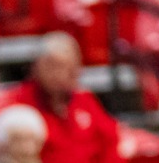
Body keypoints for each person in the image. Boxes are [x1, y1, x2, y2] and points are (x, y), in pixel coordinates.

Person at [10, 35, 118, 163]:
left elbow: (110, 141)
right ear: (36, 68)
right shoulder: (19, 105)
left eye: (67, 66)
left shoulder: (84, 100)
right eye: (52, 66)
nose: (59, 74)